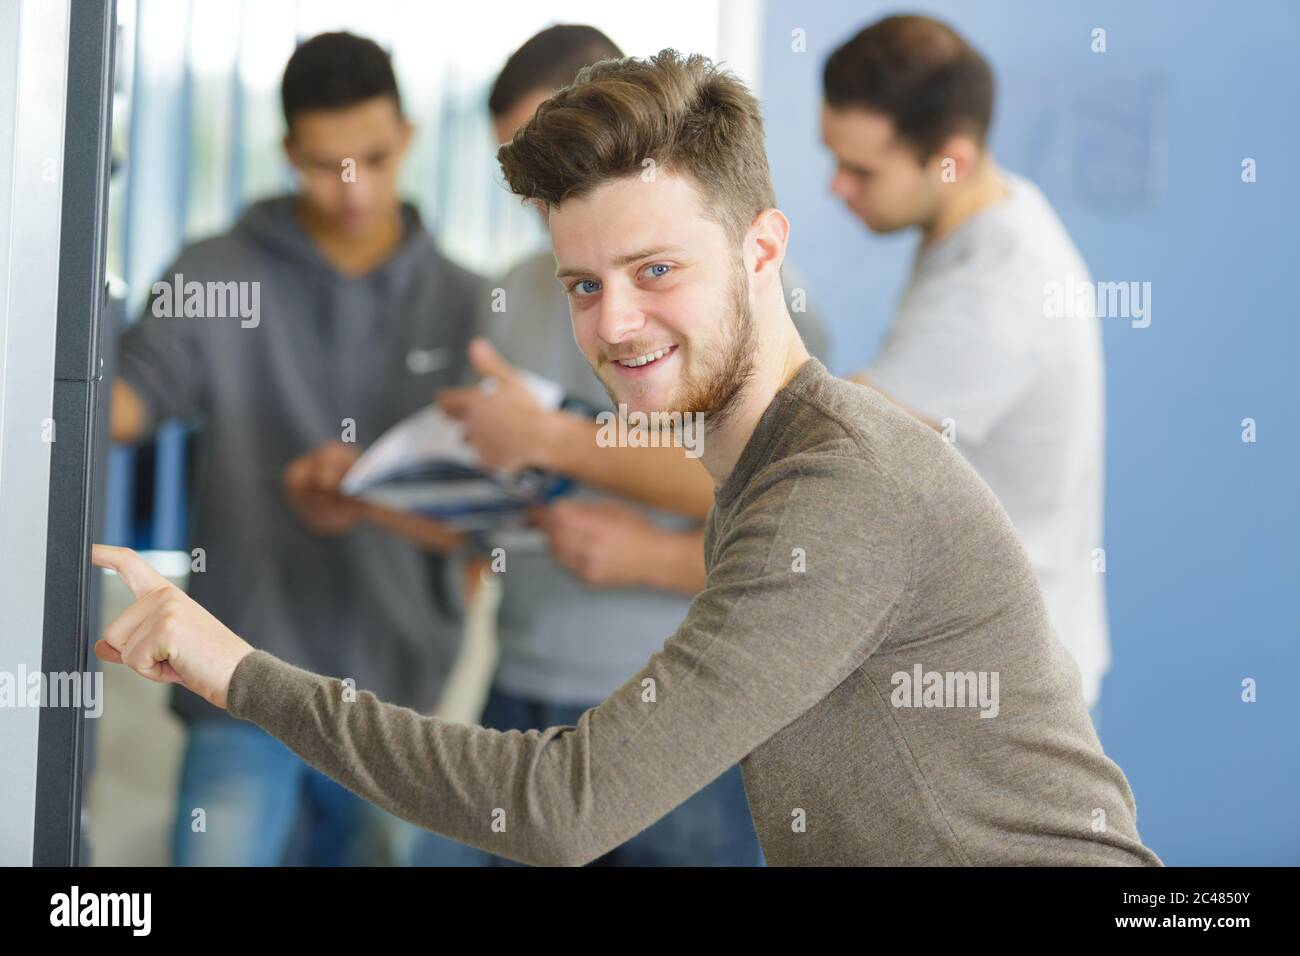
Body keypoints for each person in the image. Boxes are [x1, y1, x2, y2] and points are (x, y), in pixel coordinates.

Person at [94, 49, 1162, 866]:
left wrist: (233, 668)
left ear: (761, 251)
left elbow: (564, 805)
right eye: (584, 284)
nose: (615, 322)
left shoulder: (840, 484)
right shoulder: (764, 469)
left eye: (656, 267)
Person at [403, 24, 827, 867]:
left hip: (681, 722)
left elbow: (785, 507)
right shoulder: (511, 295)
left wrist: (559, 444)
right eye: (523, 174)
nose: (541, 199)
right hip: (523, 693)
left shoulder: (736, 291)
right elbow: (487, 515)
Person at [110, 32, 484, 865]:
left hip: (399, 715)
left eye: (375, 158)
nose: (353, 190)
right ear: (285, 152)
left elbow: (486, 521)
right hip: (234, 687)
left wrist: (382, 501)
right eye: (324, 164)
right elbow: (119, 404)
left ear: (410, 137)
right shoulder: (215, 272)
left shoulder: (465, 303)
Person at [820, 16, 1110, 723]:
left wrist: (565, 446)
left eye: (861, 171)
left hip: (1000, 697)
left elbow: (821, 466)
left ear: (950, 157)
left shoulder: (995, 294)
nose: (837, 188)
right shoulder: (990, 211)